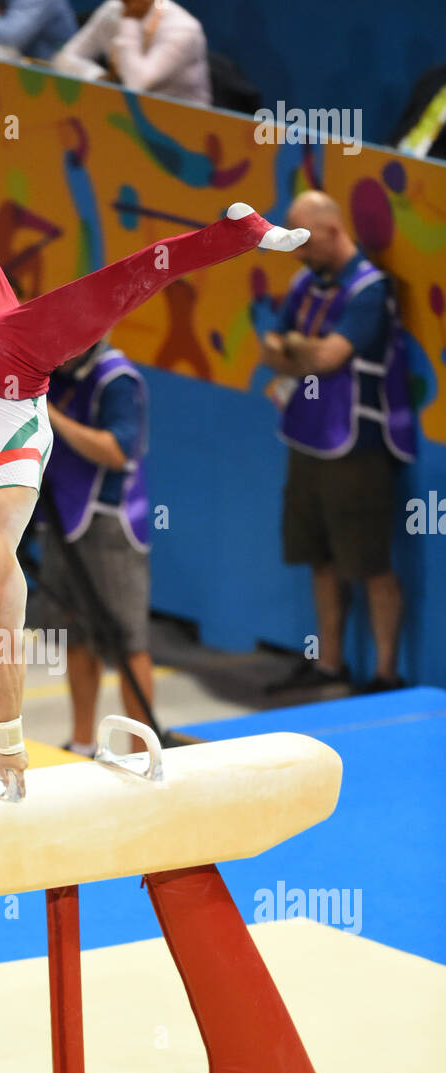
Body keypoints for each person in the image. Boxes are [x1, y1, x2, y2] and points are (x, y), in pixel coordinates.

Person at [0, 56, 309, 797]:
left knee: (119, 289)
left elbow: (2, 651)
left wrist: (8, 744)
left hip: (15, 367)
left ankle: (239, 232)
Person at [260, 190, 416, 695]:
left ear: (332, 230)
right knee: (319, 557)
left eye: (306, 240)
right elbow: (272, 349)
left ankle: (385, 675)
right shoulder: (305, 282)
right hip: (304, 438)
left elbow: (328, 357)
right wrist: (301, 351)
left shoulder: (372, 290)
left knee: (369, 563)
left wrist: (299, 351)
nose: (299, 252)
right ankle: (329, 664)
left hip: (358, 446)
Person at [40, 337, 152, 756]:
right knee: (76, 638)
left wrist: (52, 418)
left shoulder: (118, 379)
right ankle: (84, 743)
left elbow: (117, 450)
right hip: (60, 516)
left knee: (127, 642)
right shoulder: (55, 371)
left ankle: (140, 752)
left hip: (109, 523)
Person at [52, 0, 211, 106]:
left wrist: (131, 18)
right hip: (126, 116)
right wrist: (99, 78)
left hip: (183, 129)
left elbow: (136, 86)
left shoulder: (183, 29)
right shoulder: (112, 9)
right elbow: (64, 58)